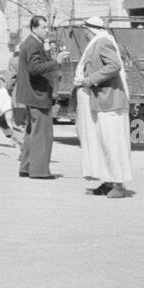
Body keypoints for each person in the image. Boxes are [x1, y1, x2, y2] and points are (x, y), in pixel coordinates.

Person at [73, 17, 135, 198]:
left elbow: (114, 65)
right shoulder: (96, 43)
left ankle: (119, 184)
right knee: (102, 143)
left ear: (90, 30)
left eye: (84, 29)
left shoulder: (103, 43)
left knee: (112, 143)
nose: (83, 33)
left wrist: (90, 80)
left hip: (110, 103)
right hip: (100, 102)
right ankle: (108, 182)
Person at [13, 16, 59, 180]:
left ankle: (26, 167)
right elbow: (35, 68)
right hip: (37, 95)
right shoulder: (32, 44)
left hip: (32, 94)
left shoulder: (31, 43)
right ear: (34, 28)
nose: (47, 30)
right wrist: (56, 62)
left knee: (31, 133)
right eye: (44, 27)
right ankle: (39, 171)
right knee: (42, 134)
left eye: (47, 27)